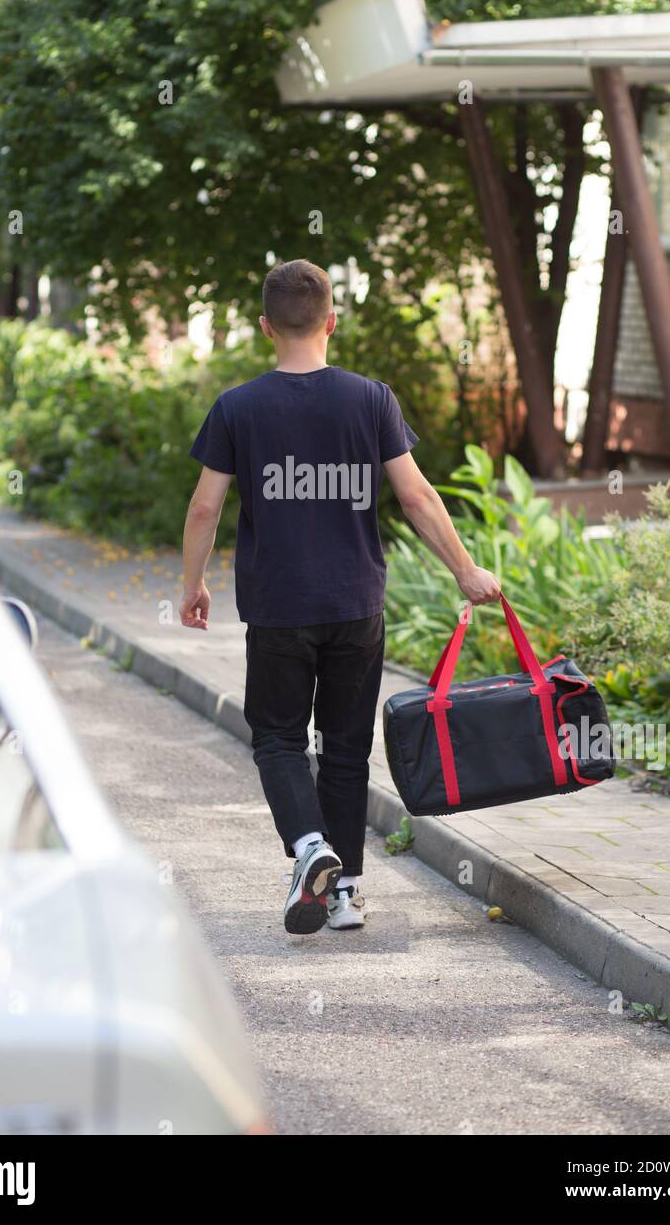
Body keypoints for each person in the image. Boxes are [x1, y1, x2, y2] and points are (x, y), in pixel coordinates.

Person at [180, 259, 501, 935]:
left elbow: (206, 509)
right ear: (332, 321)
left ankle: (308, 848)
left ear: (266, 328)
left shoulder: (237, 407)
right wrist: (465, 570)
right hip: (357, 604)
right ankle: (345, 893)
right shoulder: (371, 400)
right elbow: (415, 494)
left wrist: (193, 585)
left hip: (278, 607)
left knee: (277, 738)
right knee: (347, 746)